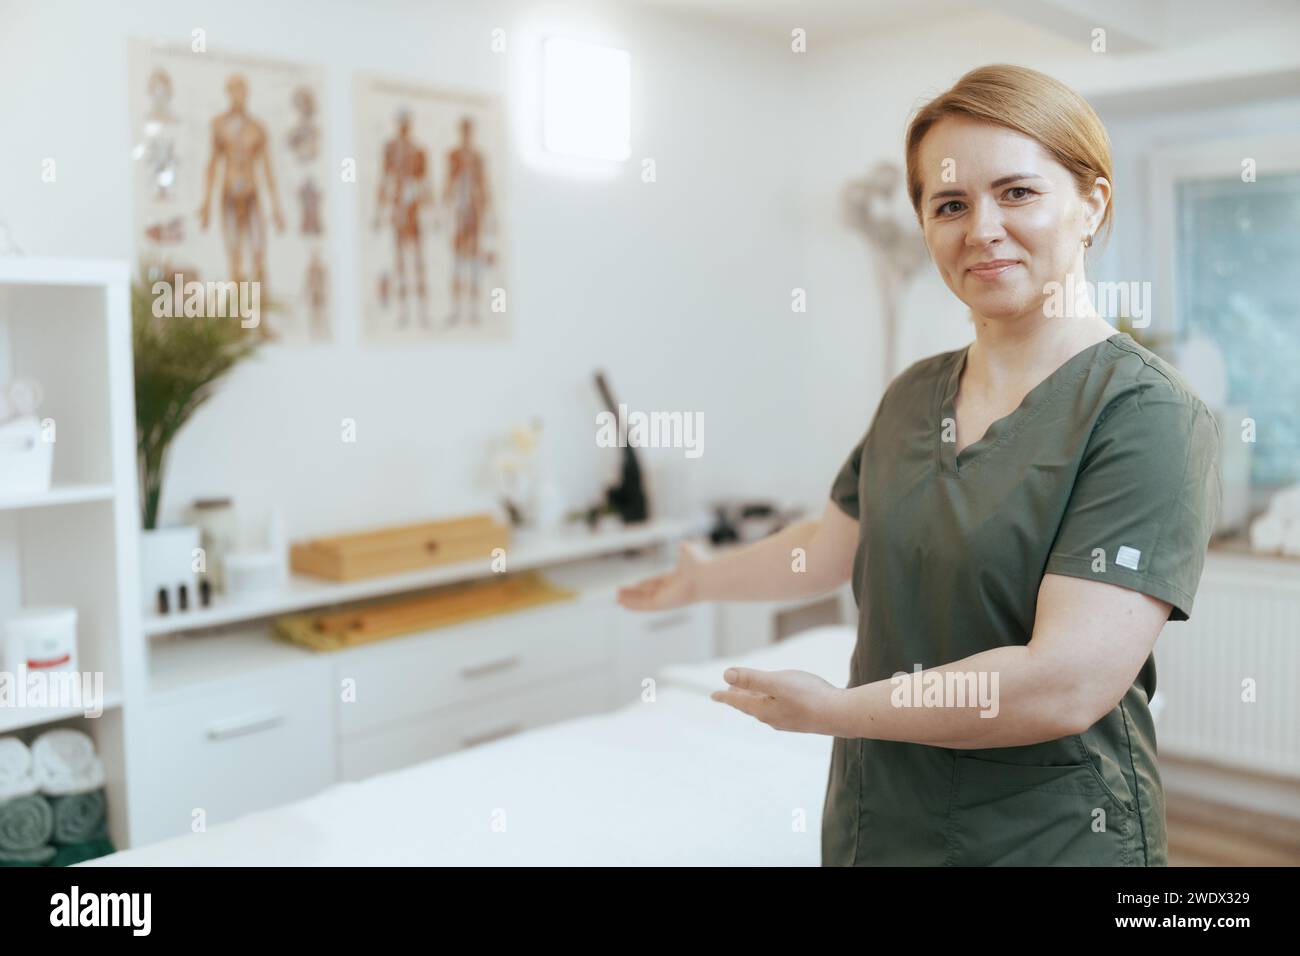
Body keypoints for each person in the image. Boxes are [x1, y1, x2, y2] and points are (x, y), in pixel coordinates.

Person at [617, 63, 1222, 867]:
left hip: (1050, 838)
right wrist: (704, 579)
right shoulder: (912, 396)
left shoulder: (1146, 415)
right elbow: (829, 548)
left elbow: (1064, 682)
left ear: (1091, 206)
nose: (982, 228)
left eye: (1017, 192)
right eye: (949, 204)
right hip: (879, 828)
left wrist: (841, 711)